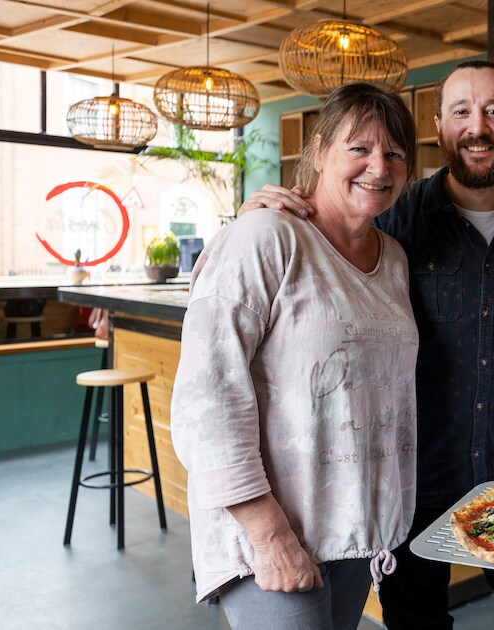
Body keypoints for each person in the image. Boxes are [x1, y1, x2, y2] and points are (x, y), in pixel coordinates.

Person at [239, 61, 494, 629]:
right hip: (413, 479)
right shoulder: (394, 216)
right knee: (414, 623)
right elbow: (323, 248)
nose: (477, 126)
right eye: (461, 111)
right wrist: (260, 220)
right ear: (438, 124)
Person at [171, 82, 419, 629]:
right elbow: (206, 398)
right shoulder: (266, 236)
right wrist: (267, 531)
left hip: (355, 529)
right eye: (359, 148)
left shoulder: (394, 259)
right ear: (320, 149)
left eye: (395, 153)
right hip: (270, 533)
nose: (379, 166)